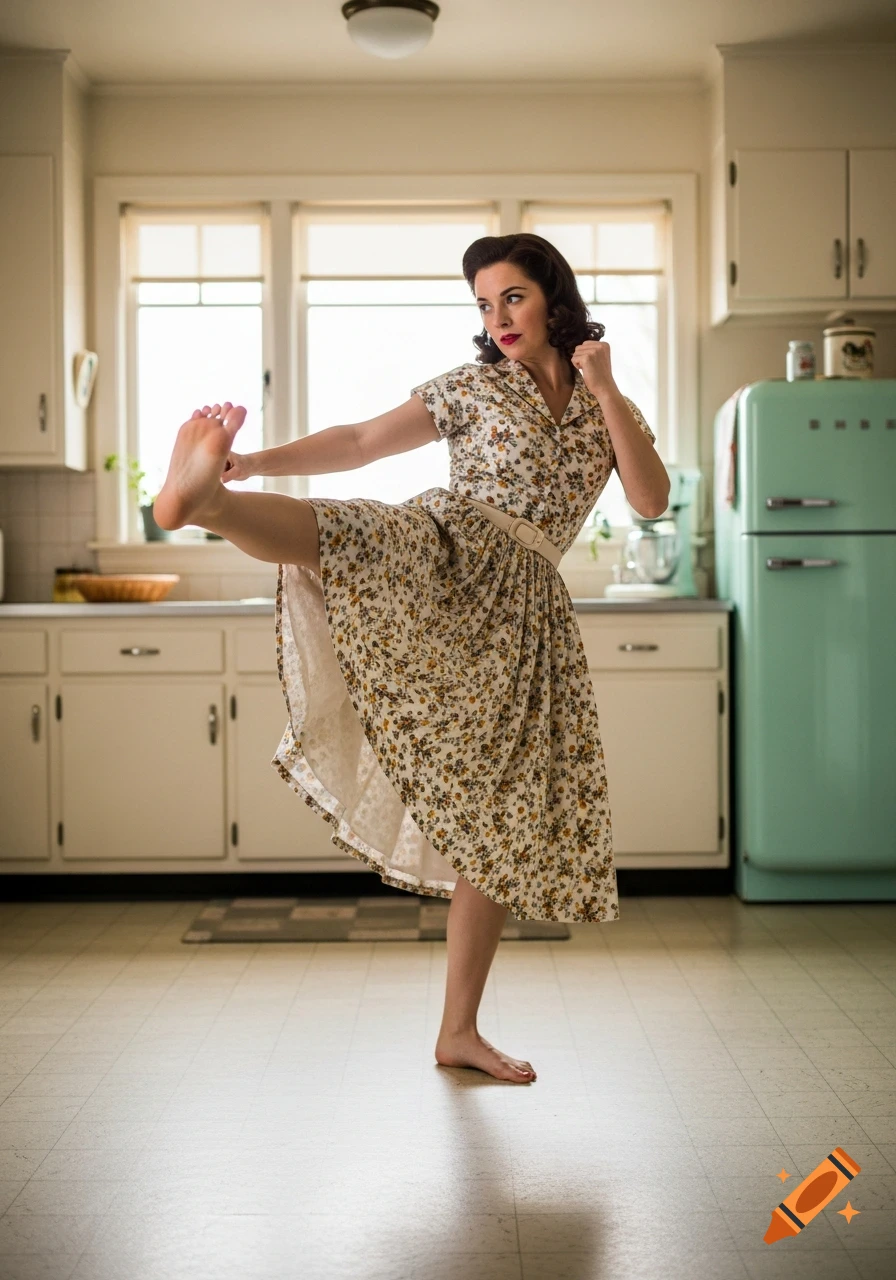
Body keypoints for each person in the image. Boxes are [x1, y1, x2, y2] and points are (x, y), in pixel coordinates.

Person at [154, 233, 670, 1084]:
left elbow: (649, 499)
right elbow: (361, 443)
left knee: (496, 817)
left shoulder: (602, 404)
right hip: (451, 549)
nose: (497, 317)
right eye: (482, 303)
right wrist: (253, 460)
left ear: (554, 299)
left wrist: (606, 386)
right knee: (349, 533)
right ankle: (213, 498)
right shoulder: (471, 387)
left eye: (511, 297)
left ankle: (457, 1031)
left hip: (525, 616)